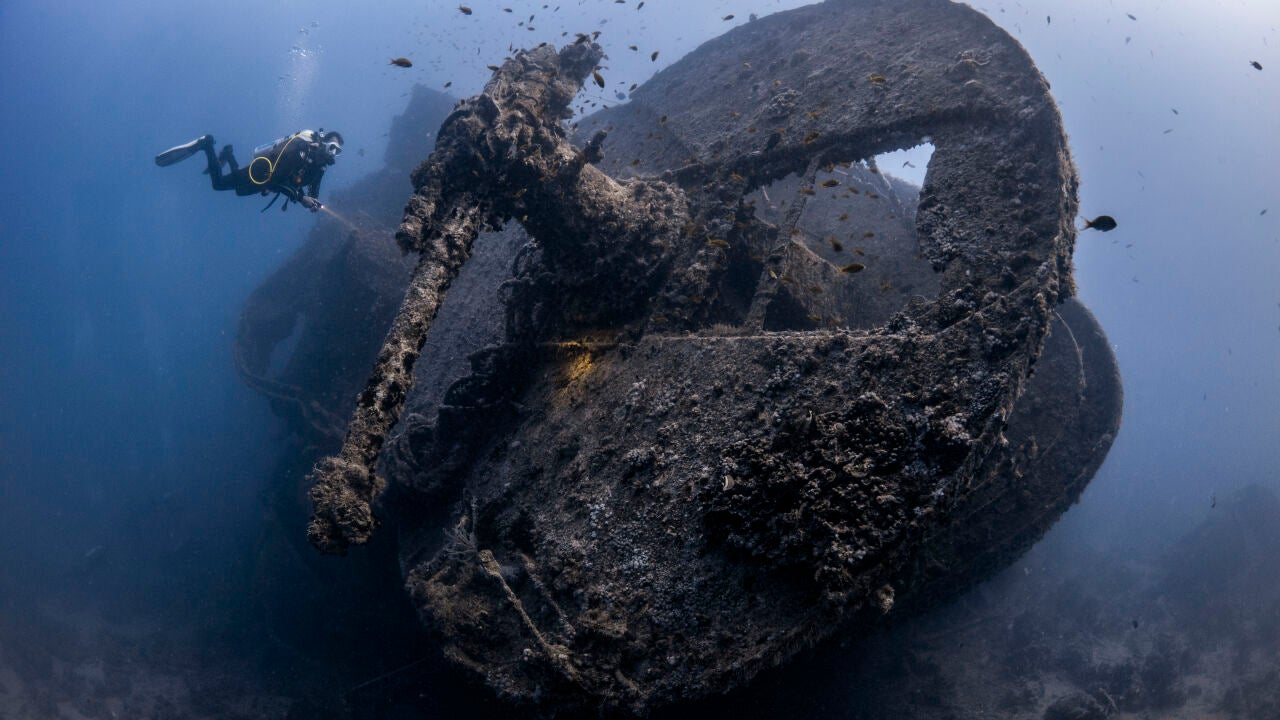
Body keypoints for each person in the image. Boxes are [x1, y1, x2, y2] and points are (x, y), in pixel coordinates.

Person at [155, 129, 343, 212]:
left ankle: (228, 154)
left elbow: (312, 191)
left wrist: (314, 203)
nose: (334, 154)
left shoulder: (320, 167)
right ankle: (207, 144)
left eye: (338, 151)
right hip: (262, 172)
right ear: (323, 143)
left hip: (266, 182)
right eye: (332, 147)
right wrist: (301, 199)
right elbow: (276, 180)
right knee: (219, 184)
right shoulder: (301, 149)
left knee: (239, 190)